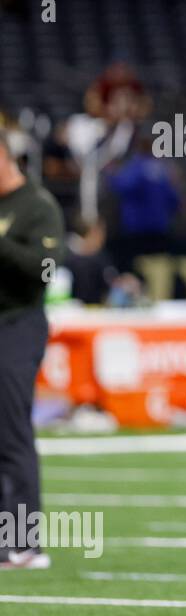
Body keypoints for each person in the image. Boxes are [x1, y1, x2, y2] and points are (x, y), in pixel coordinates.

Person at [0, 133, 65, 569]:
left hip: (18, 324)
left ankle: (25, 542)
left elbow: (42, 269)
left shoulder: (37, 206)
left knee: (12, 430)